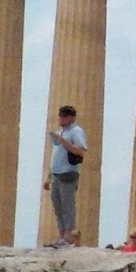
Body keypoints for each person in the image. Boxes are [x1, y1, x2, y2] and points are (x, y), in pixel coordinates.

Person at [43, 105, 86, 247]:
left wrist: (64, 142)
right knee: (58, 206)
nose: (61, 118)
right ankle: (61, 236)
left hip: (68, 173)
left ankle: (68, 236)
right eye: (60, 115)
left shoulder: (76, 131)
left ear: (72, 117)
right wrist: (48, 177)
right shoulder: (60, 132)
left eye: (65, 116)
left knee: (67, 205)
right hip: (56, 174)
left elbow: (81, 151)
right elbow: (56, 156)